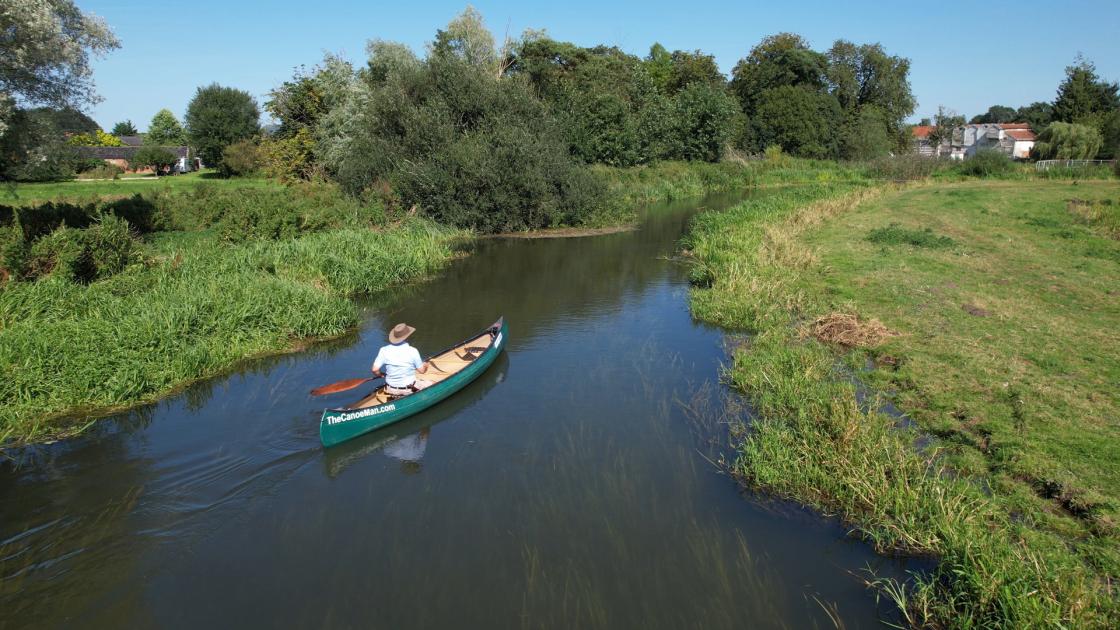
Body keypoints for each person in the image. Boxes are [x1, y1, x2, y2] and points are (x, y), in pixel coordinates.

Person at [372, 322, 432, 396]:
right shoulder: (413, 351)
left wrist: (381, 374)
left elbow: (374, 369)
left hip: (391, 389)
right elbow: (422, 371)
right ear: (407, 336)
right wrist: (426, 365)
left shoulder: (383, 350)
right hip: (408, 389)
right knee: (433, 383)